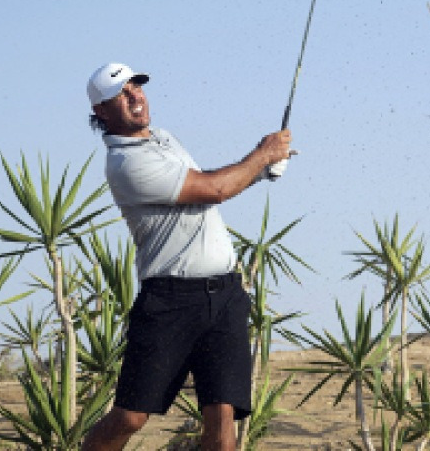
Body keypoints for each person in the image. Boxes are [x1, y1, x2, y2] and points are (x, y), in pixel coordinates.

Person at [81, 63, 292, 451]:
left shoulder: (162, 139)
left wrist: (262, 170)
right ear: (101, 112)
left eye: (136, 87)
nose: (135, 96)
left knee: (222, 411)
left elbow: (207, 183)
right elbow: (212, 190)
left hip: (225, 294)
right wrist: (262, 155)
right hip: (170, 301)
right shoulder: (127, 164)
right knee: (130, 416)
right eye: (122, 93)